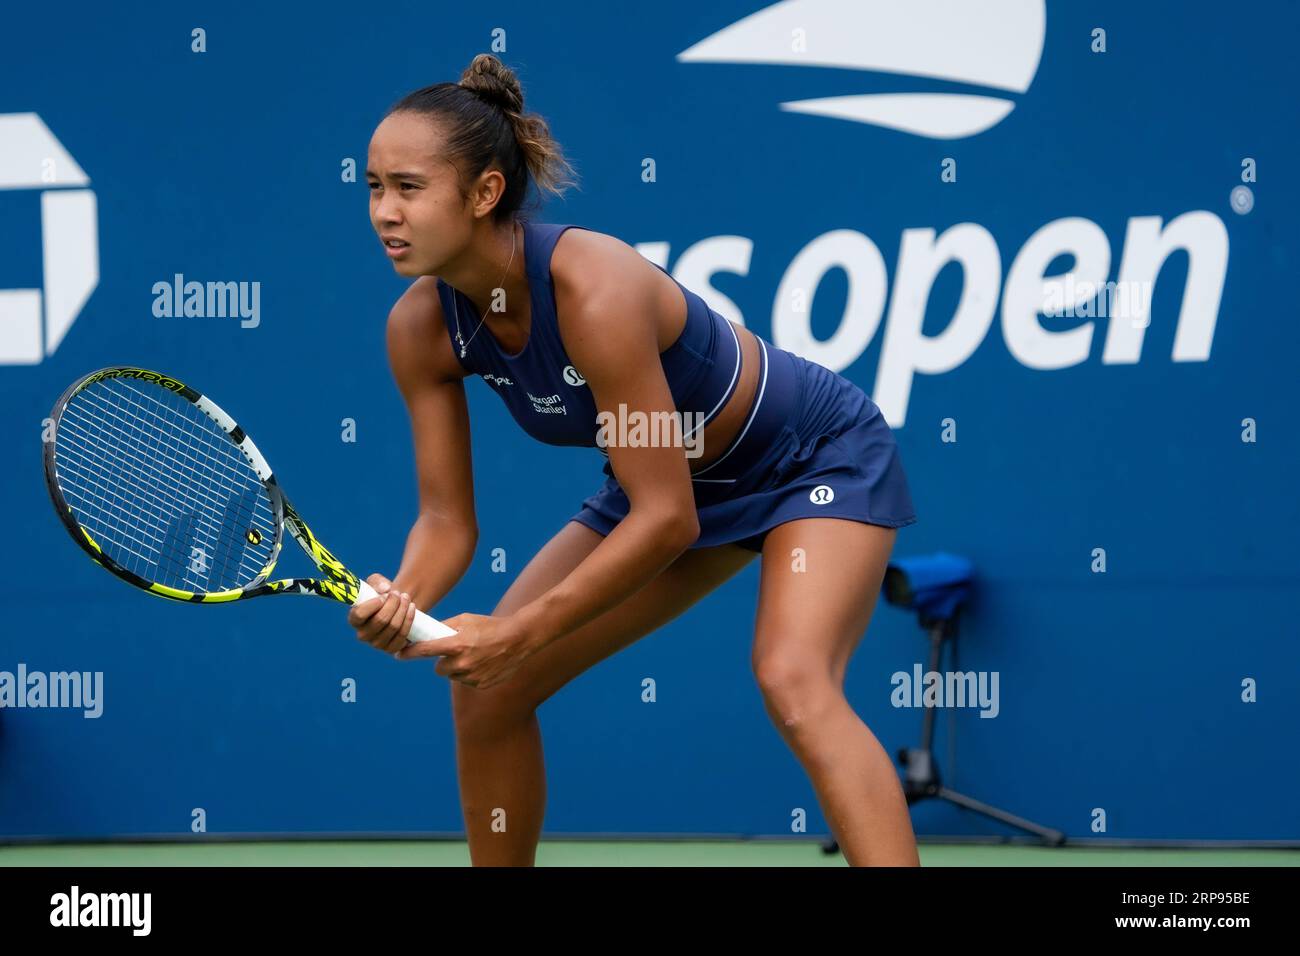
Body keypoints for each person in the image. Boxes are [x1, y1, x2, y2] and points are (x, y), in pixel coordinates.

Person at [355, 53, 920, 866]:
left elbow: (667, 520)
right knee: (487, 698)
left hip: (810, 460)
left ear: (483, 194)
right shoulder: (419, 329)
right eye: (374, 187)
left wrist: (515, 631)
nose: (384, 212)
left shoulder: (594, 288)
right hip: (665, 482)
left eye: (408, 187)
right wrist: (403, 599)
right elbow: (446, 522)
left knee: (793, 681)